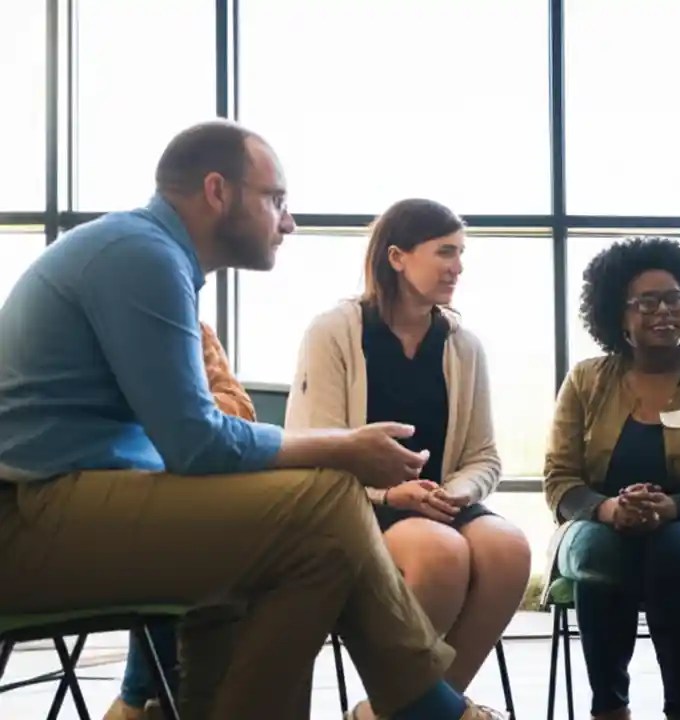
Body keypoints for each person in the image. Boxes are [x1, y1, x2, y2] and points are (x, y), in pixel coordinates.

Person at [0, 120, 500, 720]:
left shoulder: (147, 256)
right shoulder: (141, 256)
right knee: (323, 501)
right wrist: (343, 447)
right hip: (27, 515)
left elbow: (183, 442)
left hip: (59, 505)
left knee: (287, 560)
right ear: (217, 191)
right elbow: (196, 444)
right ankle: (426, 707)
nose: (288, 222)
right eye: (276, 200)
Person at [285, 198, 531, 718]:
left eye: (461, 253)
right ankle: (429, 709)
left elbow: (484, 457)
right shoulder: (334, 331)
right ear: (397, 257)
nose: (457, 267)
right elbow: (314, 451)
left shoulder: (464, 346)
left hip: (440, 501)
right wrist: (390, 493)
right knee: (442, 554)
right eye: (445, 252)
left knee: (508, 549)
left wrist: (455, 492)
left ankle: (395, 711)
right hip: (357, 501)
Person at [542, 236, 680, 720]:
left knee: (674, 550)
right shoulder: (586, 380)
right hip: (598, 525)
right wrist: (609, 509)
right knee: (600, 550)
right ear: (619, 314)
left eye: (675, 299)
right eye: (647, 302)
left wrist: (671, 508)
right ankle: (609, 708)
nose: (665, 311)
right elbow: (559, 479)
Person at [103, 323, 258, 720]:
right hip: (100, 508)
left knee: (227, 531)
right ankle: (148, 701)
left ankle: (145, 703)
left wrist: (180, 410)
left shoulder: (192, 330)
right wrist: (178, 415)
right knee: (179, 535)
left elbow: (240, 408)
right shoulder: (90, 331)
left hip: (171, 498)